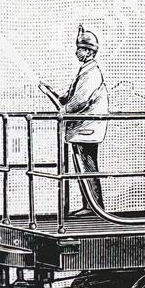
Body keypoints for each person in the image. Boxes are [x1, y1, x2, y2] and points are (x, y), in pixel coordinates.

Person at [48, 25, 109, 214]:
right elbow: (75, 96)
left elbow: (81, 100)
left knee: (86, 167)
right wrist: (61, 97)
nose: (77, 52)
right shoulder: (87, 70)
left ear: (89, 52)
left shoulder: (91, 72)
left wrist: (64, 109)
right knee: (83, 166)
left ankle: (93, 207)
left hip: (86, 129)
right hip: (83, 129)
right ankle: (91, 205)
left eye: (80, 49)